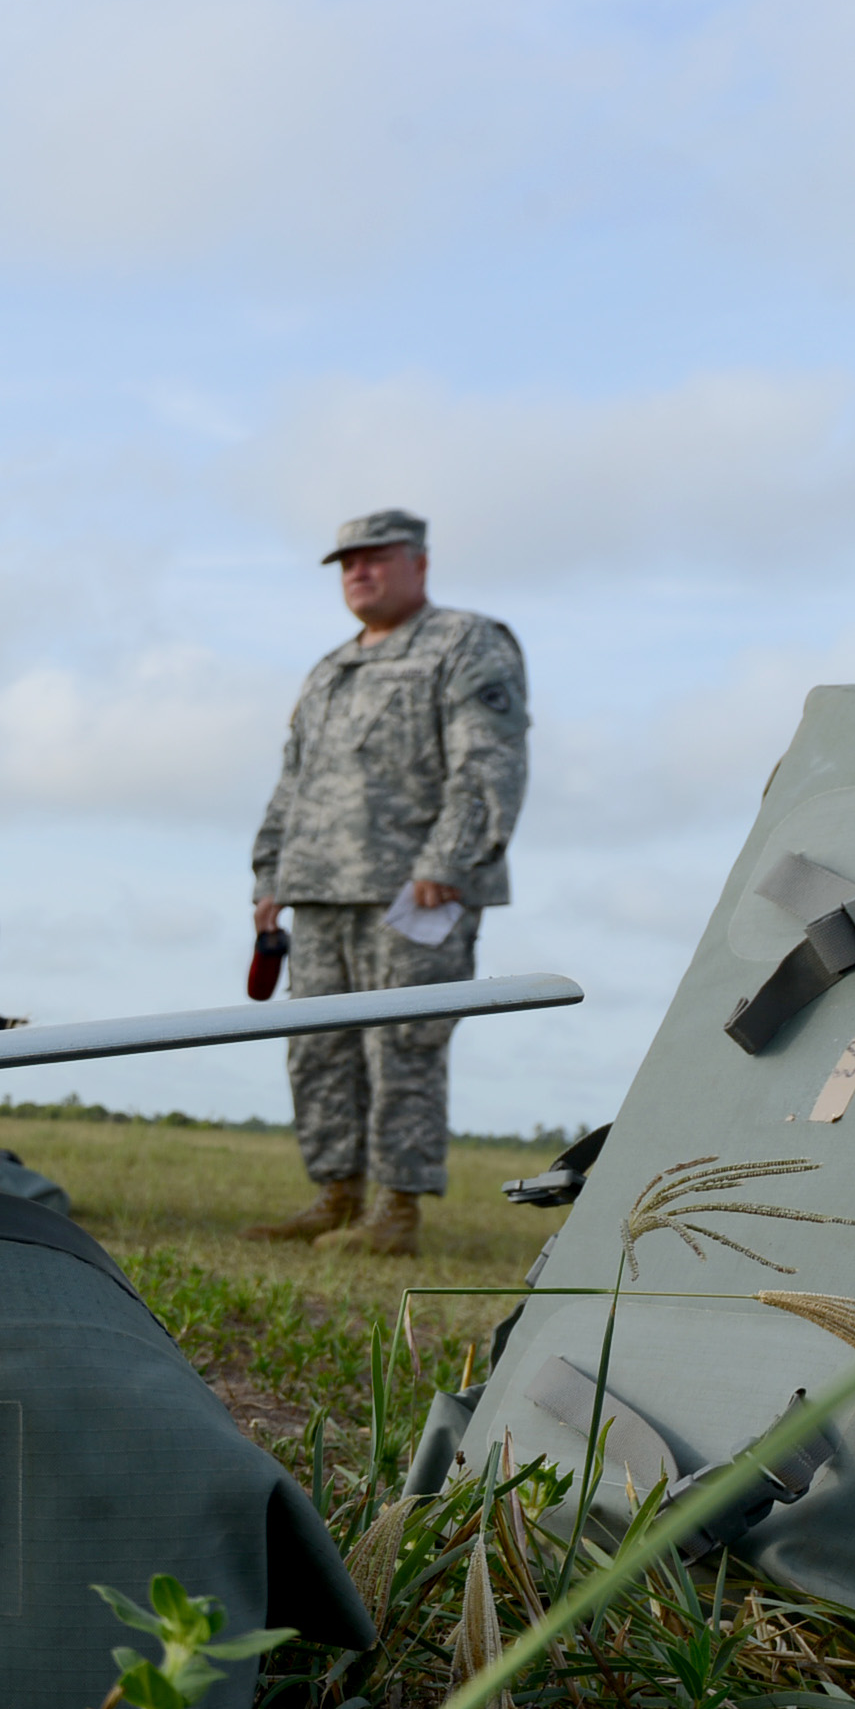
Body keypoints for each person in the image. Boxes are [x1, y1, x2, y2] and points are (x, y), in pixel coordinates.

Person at [244, 509, 529, 1258]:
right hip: (319, 893)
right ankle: (336, 1194)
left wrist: (448, 861)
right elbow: (291, 782)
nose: (357, 572)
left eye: (374, 558)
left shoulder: (466, 642)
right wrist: (268, 876)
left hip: (414, 895)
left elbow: (487, 765)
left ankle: (395, 1209)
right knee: (316, 1049)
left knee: (402, 1044)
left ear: (419, 563)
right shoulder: (329, 668)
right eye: (346, 563)